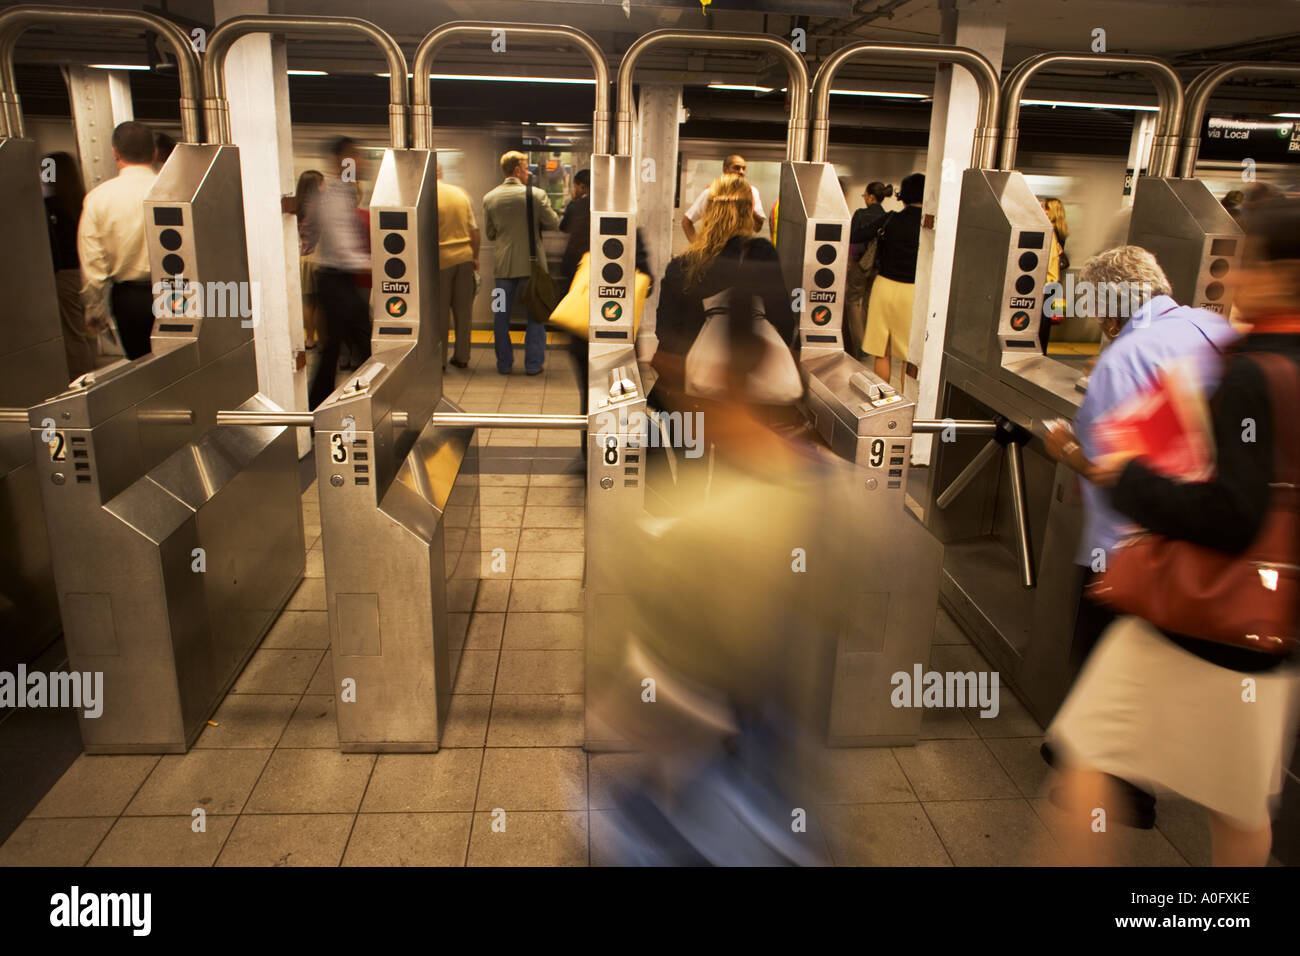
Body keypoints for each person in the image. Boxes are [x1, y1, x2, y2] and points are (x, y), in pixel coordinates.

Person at [1040, 200, 1300, 866]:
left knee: (1088, 755)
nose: (1232, 281)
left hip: (1179, 589)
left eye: (1247, 264)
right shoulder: (1221, 333)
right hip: (1268, 614)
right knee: (1239, 802)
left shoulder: (1231, 366)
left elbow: (1219, 506)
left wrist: (1105, 471)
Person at [1040, 244, 1241, 825]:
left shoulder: (1126, 354)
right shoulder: (1212, 328)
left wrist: (1063, 449)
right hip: (1200, 532)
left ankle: (1118, 791)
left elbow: (1103, 463)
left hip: (1129, 544)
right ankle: (1087, 753)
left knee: (1106, 653)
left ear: (1111, 304)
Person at [652, 173, 797, 422]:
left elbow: (665, 330)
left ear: (708, 210)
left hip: (689, 391)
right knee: (741, 457)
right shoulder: (760, 254)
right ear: (748, 210)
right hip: (743, 393)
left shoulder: (682, 265)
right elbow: (783, 320)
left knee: (691, 456)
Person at [77, 120, 158, 360]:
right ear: (154, 152)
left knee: (142, 369)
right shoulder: (173, 190)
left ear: (115, 153)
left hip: (130, 300)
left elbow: (93, 262)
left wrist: (94, 309)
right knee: (185, 368)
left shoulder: (98, 199)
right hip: (179, 293)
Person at [308, 137, 372, 409]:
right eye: (354, 155)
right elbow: (343, 245)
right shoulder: (334, 197)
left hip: (338, 281)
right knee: (364, 348)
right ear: (341, 160)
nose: (361, 161)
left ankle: (318, 409)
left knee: (334, 351)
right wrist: (373, 264)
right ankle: (365, 406)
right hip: (336, 282)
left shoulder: (343, 193)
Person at [483, 149, 559, 375]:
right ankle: (533, 365)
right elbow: (553, 223)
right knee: (535, 315)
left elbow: (490, 233)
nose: (528, 173)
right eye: (526, 169)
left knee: (500, 317)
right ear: (517, 170)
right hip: (531, 268)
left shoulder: (489, 198)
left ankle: (504, 364)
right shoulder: (536, 195)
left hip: (502, 270)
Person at [862, 172, 923, 383]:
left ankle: (882, 401)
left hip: (884, 286)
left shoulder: (890, 219)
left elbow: (858, 234)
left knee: (883, 349)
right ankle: (907, 402)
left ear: (902, 195)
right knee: (909, 353)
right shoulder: (930, 226)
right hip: (913, 291)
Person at [43, 152, 96, 379]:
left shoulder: (50, 207)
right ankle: (94, 375)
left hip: (64, 274)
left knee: (73, 335)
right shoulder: (82, 201)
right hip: (86, 272)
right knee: (88, 332)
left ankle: (82, 381)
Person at [436, 162, 479, 370]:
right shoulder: (460, 194)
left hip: (441, 261)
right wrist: (474, 259)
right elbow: (474, 231)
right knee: (464, 313)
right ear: (441, 173)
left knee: (441, 313)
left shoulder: (427, 196)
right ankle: (462, 357)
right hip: (464, 258)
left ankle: (440, 360)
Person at [844, 181, 893, 359]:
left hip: (860, 264)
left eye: (865, 195)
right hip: (878, 266)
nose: (864, 198)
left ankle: (859, 344)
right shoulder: (888, 217)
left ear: (871, 197)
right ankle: (866, 342)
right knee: (867, 303)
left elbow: (852, 238)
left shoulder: (861, 214)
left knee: (853, 301)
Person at [682, 154, 764, 243]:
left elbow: (758, 227)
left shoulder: (752, 192)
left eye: (744, 168)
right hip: (715, 247)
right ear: (725, 170)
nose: (741, 172)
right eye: (736, 168)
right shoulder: (711, 192)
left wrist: (747, 206)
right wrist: (697, 247)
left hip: (740, 250)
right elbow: (686, 222)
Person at [294, 169, 324, 349]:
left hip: (304, 258)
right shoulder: (318, 207)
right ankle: (321, 339)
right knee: (320, 304)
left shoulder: (298, 205)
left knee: (308, 303)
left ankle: (309, 339)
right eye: (322, 183)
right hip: (318, 258)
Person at [1040, 197, 1070, 351]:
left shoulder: (1048, 231)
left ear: (1051, 211)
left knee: (1041, 325)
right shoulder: (1061, 232)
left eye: (1044, 207)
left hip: (1046, 282)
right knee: (1045, 324)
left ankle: (1039, 353)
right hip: (1054, 284)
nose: (1041, 208)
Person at [557, 168, 591, 299]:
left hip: (575, 262)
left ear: (581, 186)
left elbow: (564, 227)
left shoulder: (576, 206)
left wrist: (572, 202)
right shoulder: (603, 204)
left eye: (575, 186)